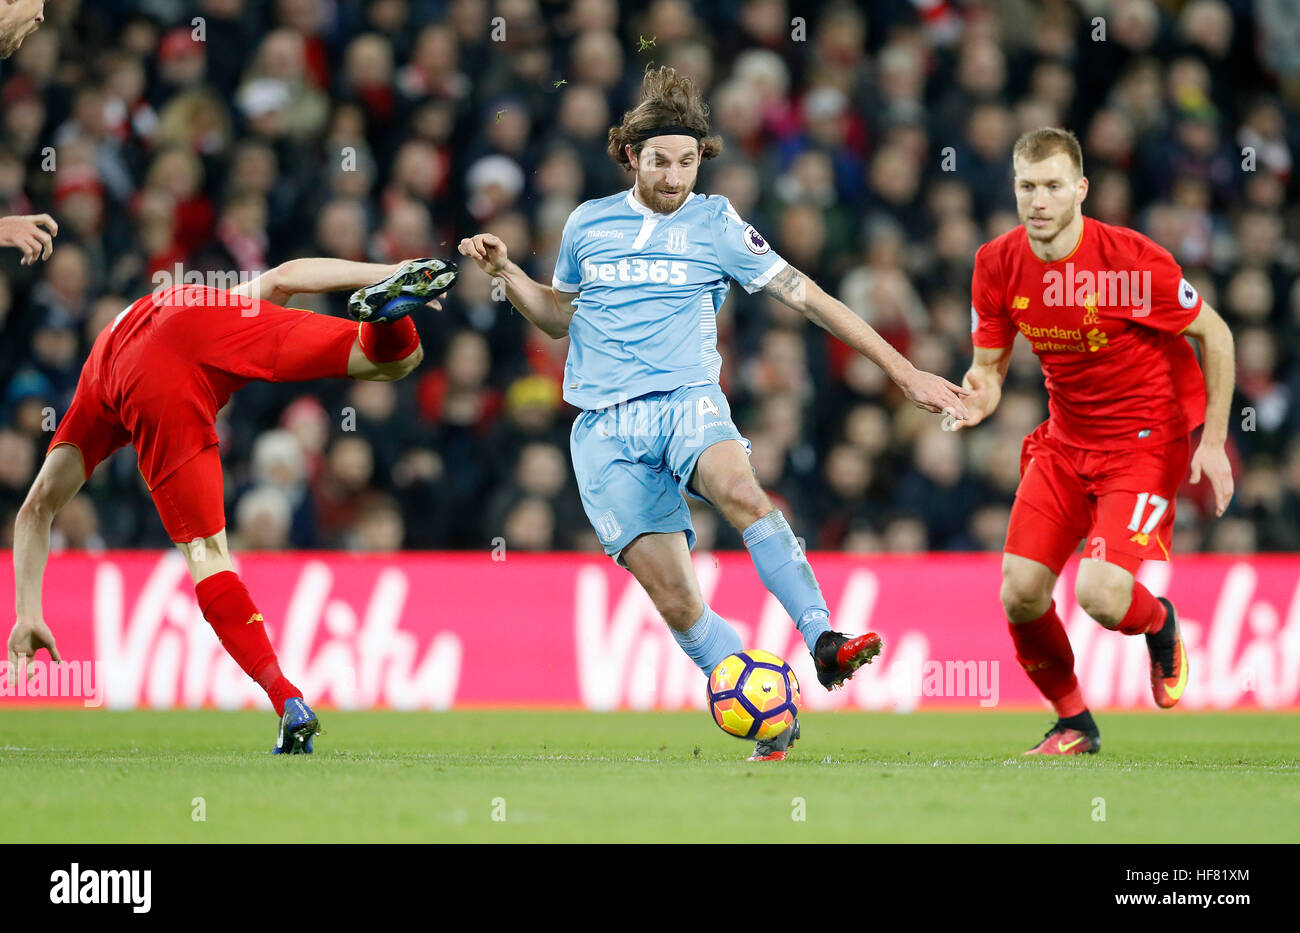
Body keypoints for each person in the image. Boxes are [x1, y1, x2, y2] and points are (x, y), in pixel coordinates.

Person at [459, 66, 969, 761]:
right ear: (632, 157)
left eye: (688, 161)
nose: (675, 176)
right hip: (603, 428)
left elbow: (811, 298)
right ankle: (771, 717)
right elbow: (557, 317)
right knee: (676, 600)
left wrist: (903, 370)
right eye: (661, 161)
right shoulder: (587, 223)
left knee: (739, 488)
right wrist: (509, 276)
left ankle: (821, 637)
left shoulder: (717, 222)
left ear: (703, 160)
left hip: (686, 402)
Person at [6, 256, 456, 753]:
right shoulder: (197, 298)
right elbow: (287, 276)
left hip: (148, 375)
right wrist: (381, 269)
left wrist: (28, 613)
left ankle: (288, 701)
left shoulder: (91, 403)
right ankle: (387, 308)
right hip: (195, 313)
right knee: (393, 360)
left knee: (209, 555)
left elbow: (35, 509)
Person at [949, 127, 1235, 754]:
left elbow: (1215, 334)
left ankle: (1159, 624)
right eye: (1027, 186)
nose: (1039, 201)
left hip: (1144, 445)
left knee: (1101, 596)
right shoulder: (996, 263)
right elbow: (991, 368)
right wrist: (979, 398)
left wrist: (1212, 442)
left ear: (1081, 188)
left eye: (1053, 186)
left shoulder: (1129, 264)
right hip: (1064, 441)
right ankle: (1074, 721)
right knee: (1020, 594)